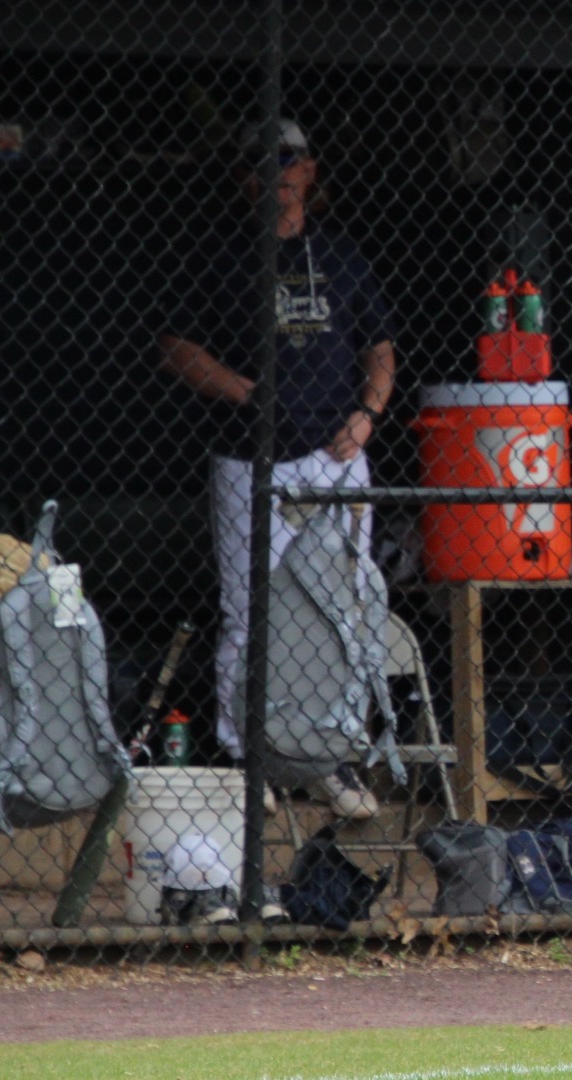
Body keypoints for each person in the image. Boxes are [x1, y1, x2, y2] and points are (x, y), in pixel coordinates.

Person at [155, 117, 394, 820]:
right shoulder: (219, 255)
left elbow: (381, 346)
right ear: (246, 178)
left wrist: (369, 415)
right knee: (250, 610)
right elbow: (175, 346)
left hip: (337, 457)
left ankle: (332, 754)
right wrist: (248, 394)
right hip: (250, 459)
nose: (277, 174)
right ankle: (246, 757)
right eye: (262, 164)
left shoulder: (342, 256)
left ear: (309, 171)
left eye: (289, 160)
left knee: (345, 605)